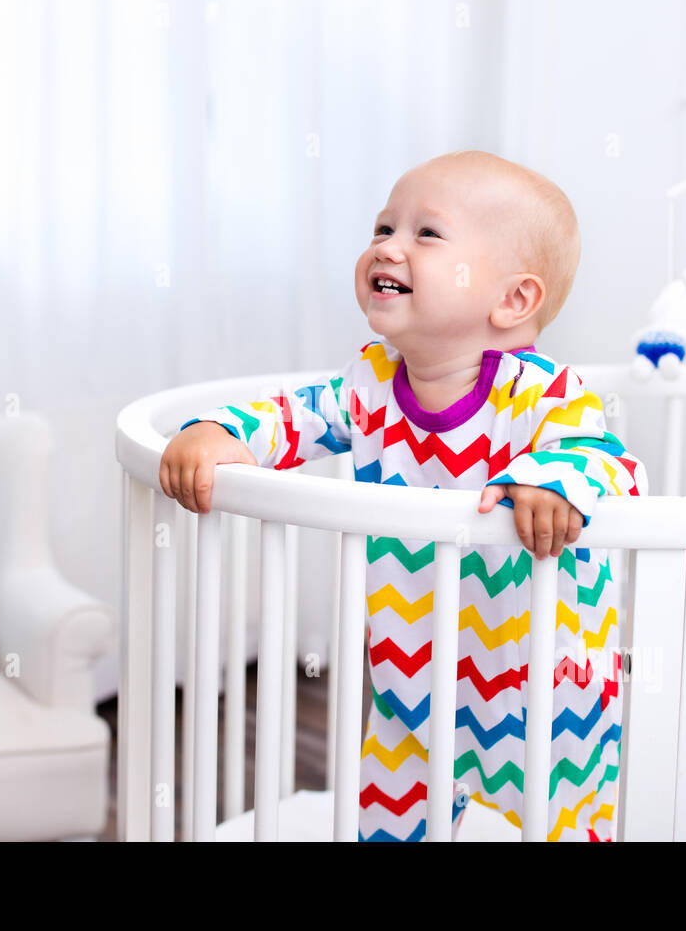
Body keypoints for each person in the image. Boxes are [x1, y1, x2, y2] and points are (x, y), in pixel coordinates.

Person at [160, 149, 648, 841]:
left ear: (513, 300)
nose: (387, 246)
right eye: (384, 227)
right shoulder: (373, 381)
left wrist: (553, 481)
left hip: (546, 686)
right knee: (388, 821)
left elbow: (607, 461)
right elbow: (297, 416)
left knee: (562, 824)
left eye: (426, 234)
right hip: (410, 685)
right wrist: (221, 431)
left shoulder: (544, 396)